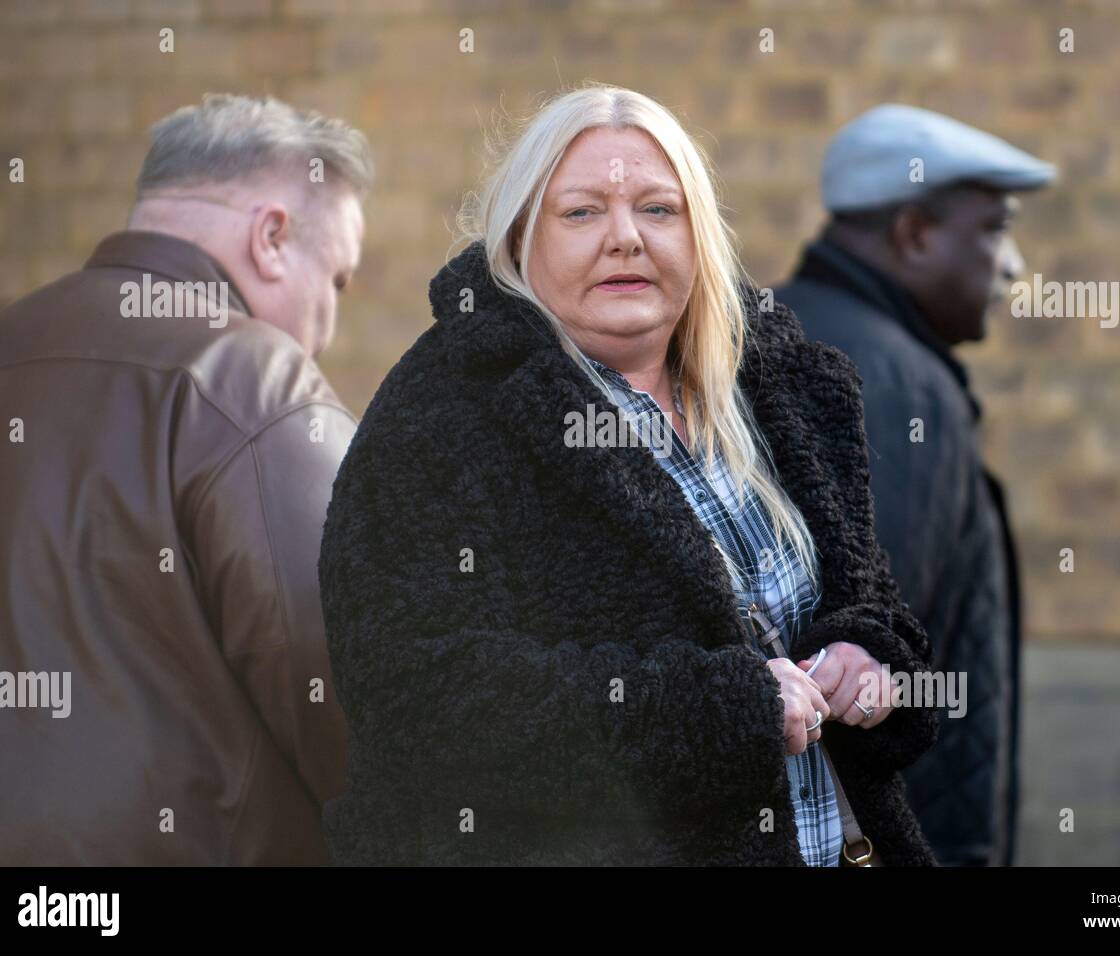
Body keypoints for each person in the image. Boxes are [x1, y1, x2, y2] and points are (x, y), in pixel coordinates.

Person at [318, 84, 939, 866]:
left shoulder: (782, 386)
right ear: (520, 238)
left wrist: (867, 655)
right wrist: (721, 712)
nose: (624, 239)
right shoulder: (441, 416)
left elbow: (873, 598)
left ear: (699, 233)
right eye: (581, 213)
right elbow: (418, 695)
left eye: (658, 209)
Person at [0, 93, 372, 864]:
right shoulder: (251, 378)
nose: (328, 325)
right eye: (340, 281)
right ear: (273, 237)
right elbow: (355, 687)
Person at [774, 103, 1056, 866]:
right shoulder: (896, 385)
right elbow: (866, 663)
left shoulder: (775, 331)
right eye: (994, 230)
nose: (1014, 266)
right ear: (915, 234)